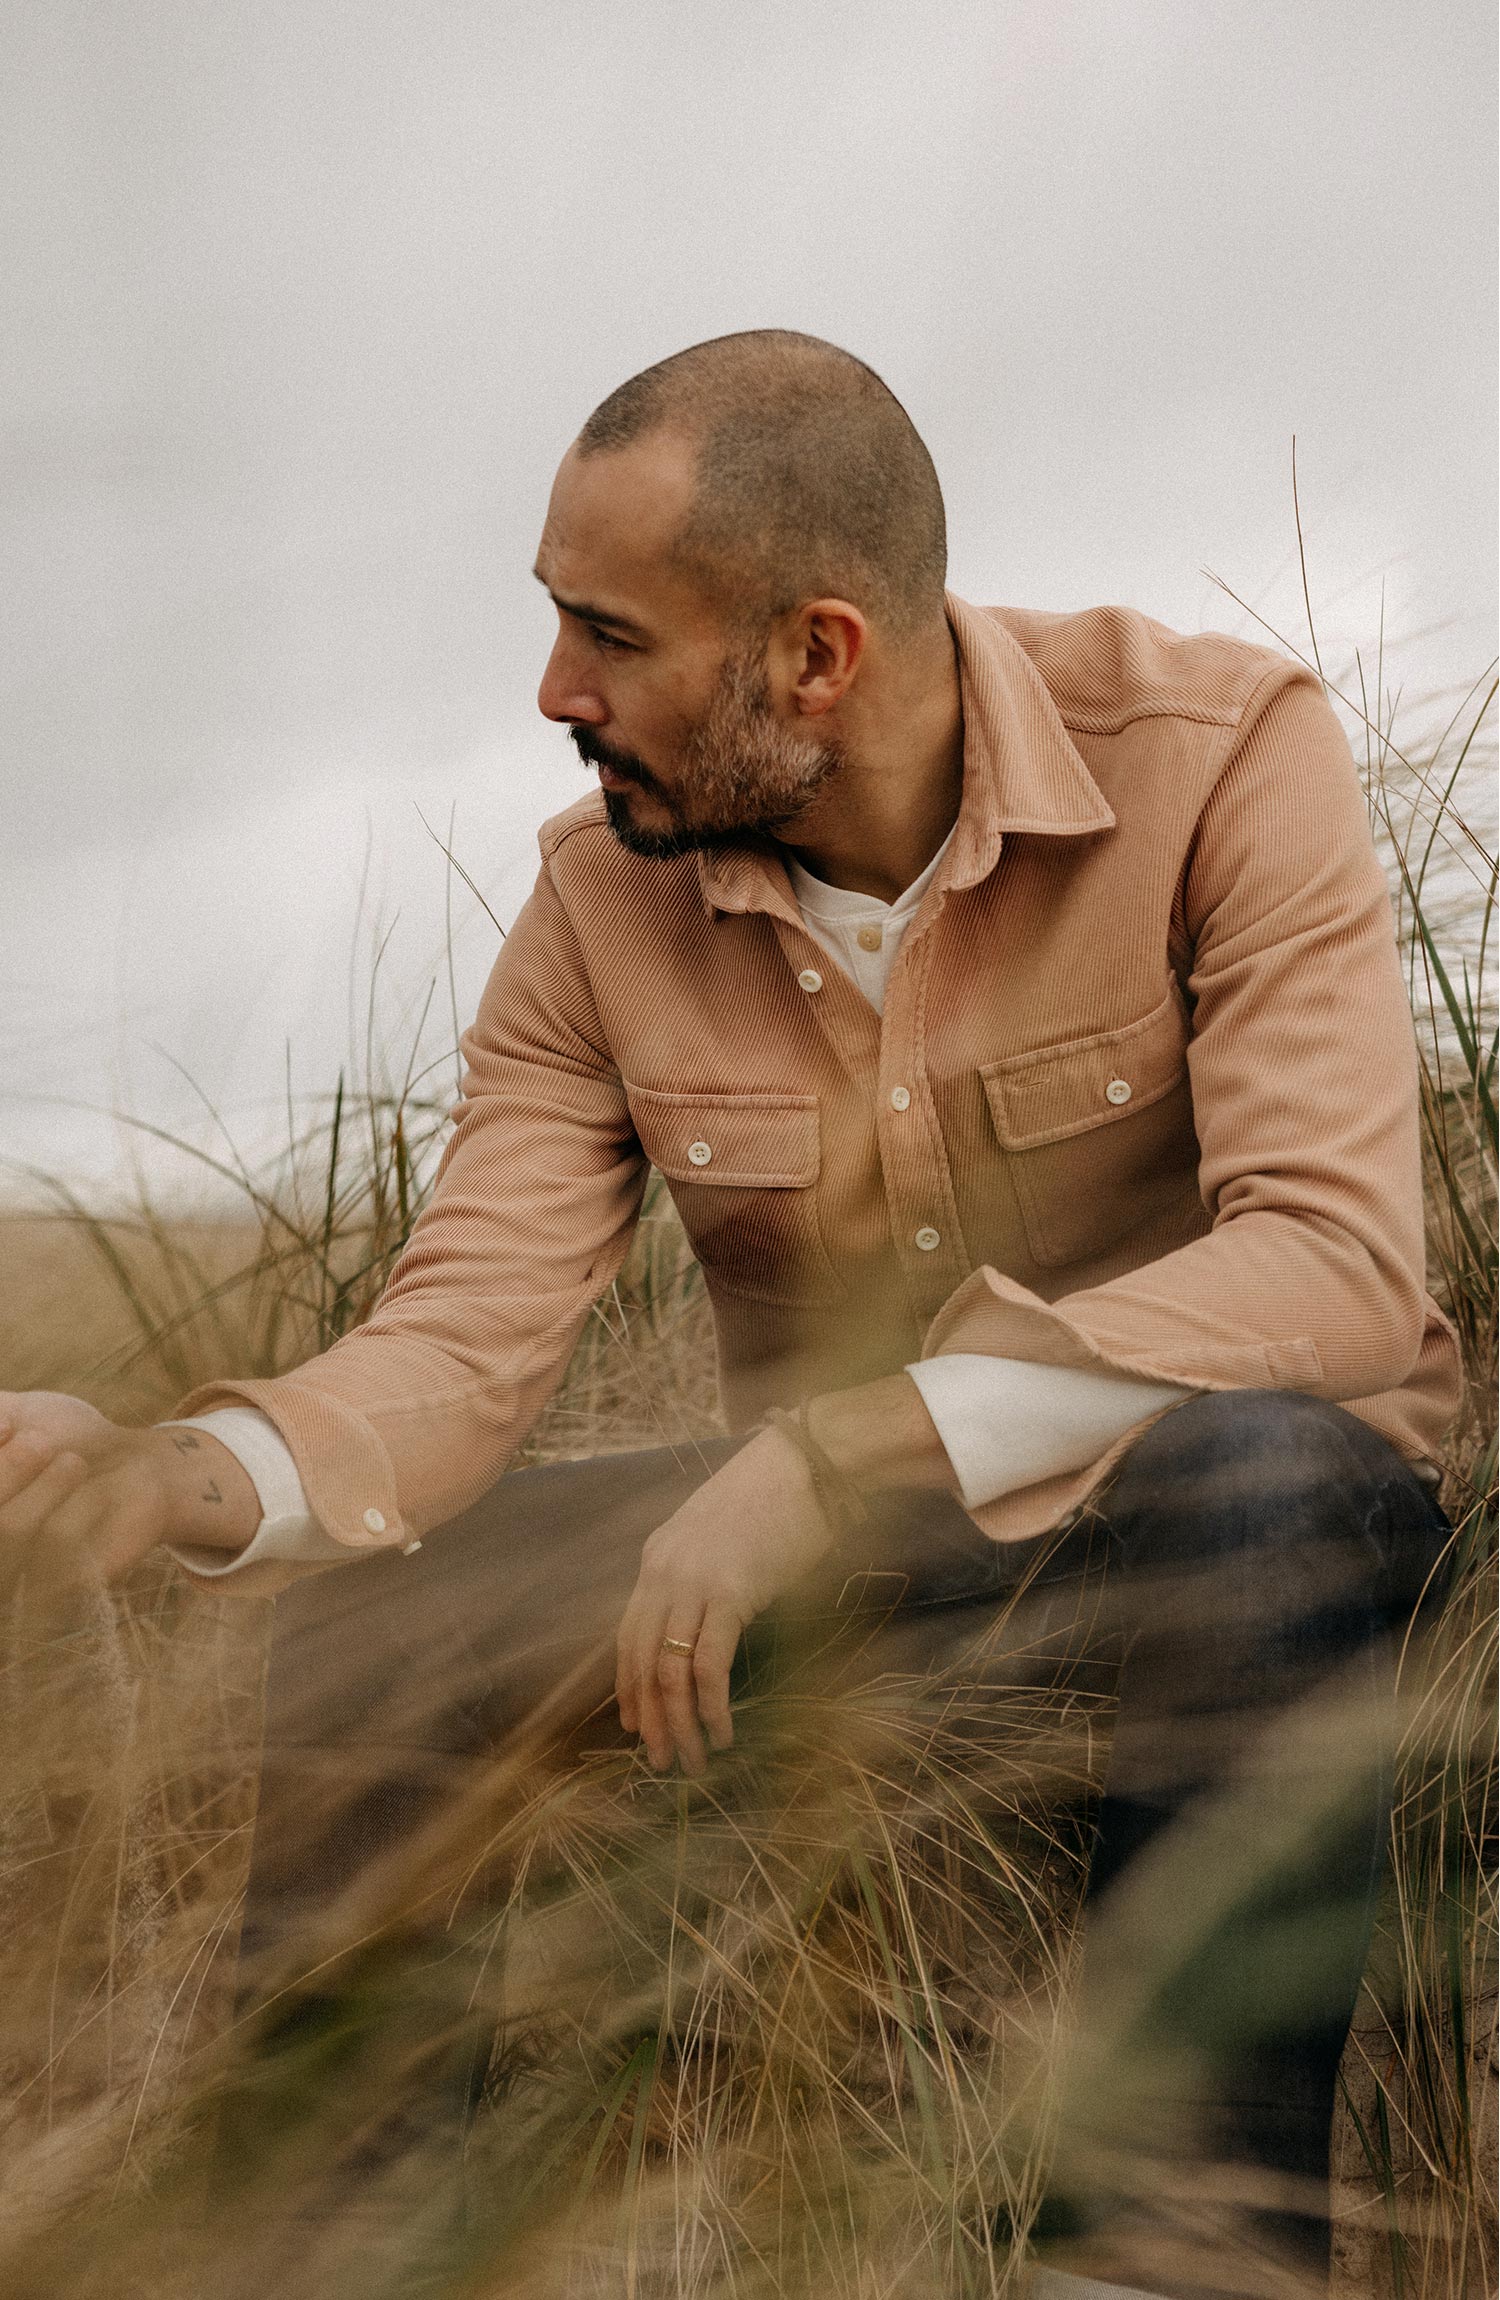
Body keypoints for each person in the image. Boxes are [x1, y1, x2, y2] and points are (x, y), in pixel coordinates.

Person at [0, 331, 1459, 2298]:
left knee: (1262, 1470)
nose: (553, 693)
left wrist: (847, 1447)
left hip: (1231, 1511)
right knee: (394, 1605)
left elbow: (1334, 1265)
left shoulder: (1219, 755)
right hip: (852, 1576)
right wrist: (178, 1473)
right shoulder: (598, 906)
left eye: (609, 636)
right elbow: (463, 1337)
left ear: (817, 657)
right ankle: (309, 2243)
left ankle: (1162, 2258)